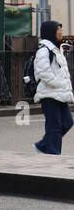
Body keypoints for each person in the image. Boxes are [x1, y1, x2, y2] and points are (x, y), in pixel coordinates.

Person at [33, 20, 74, 156]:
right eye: (58, 30)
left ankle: (43, 145)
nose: (61, 32)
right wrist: (57, 83)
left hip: (59, 93)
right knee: (54, 127)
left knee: (67, 122)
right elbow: (43, 72)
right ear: (51, 32)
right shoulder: (44, 50)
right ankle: (53, 155)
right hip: (49, 94)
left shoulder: (56, 49)